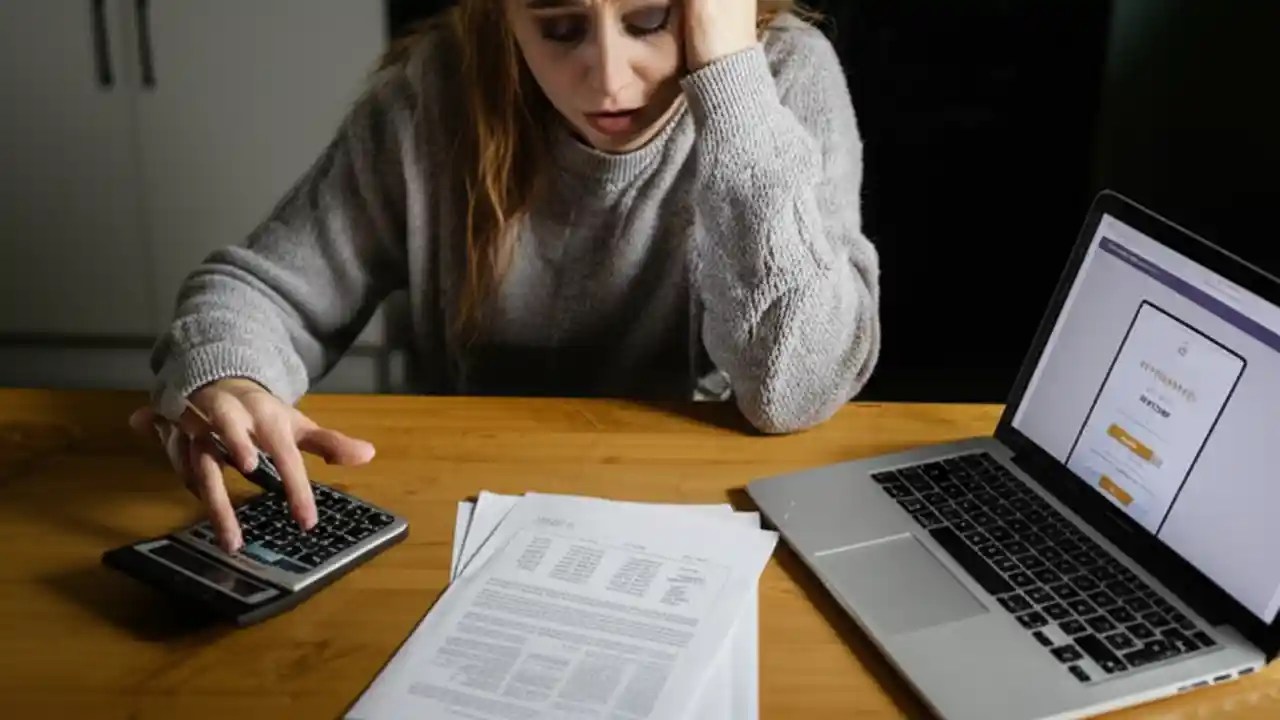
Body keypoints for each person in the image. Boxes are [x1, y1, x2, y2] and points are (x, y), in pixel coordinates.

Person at [128, 0, 882, 553]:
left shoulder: (783, 72)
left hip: (705, 517)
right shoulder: (436, 90)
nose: (608, 77)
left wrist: (730, 76)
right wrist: (227, 379)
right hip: (470, 512)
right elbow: (261, 289)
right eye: (558, 29)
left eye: (650, 19)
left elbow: (798, 385)